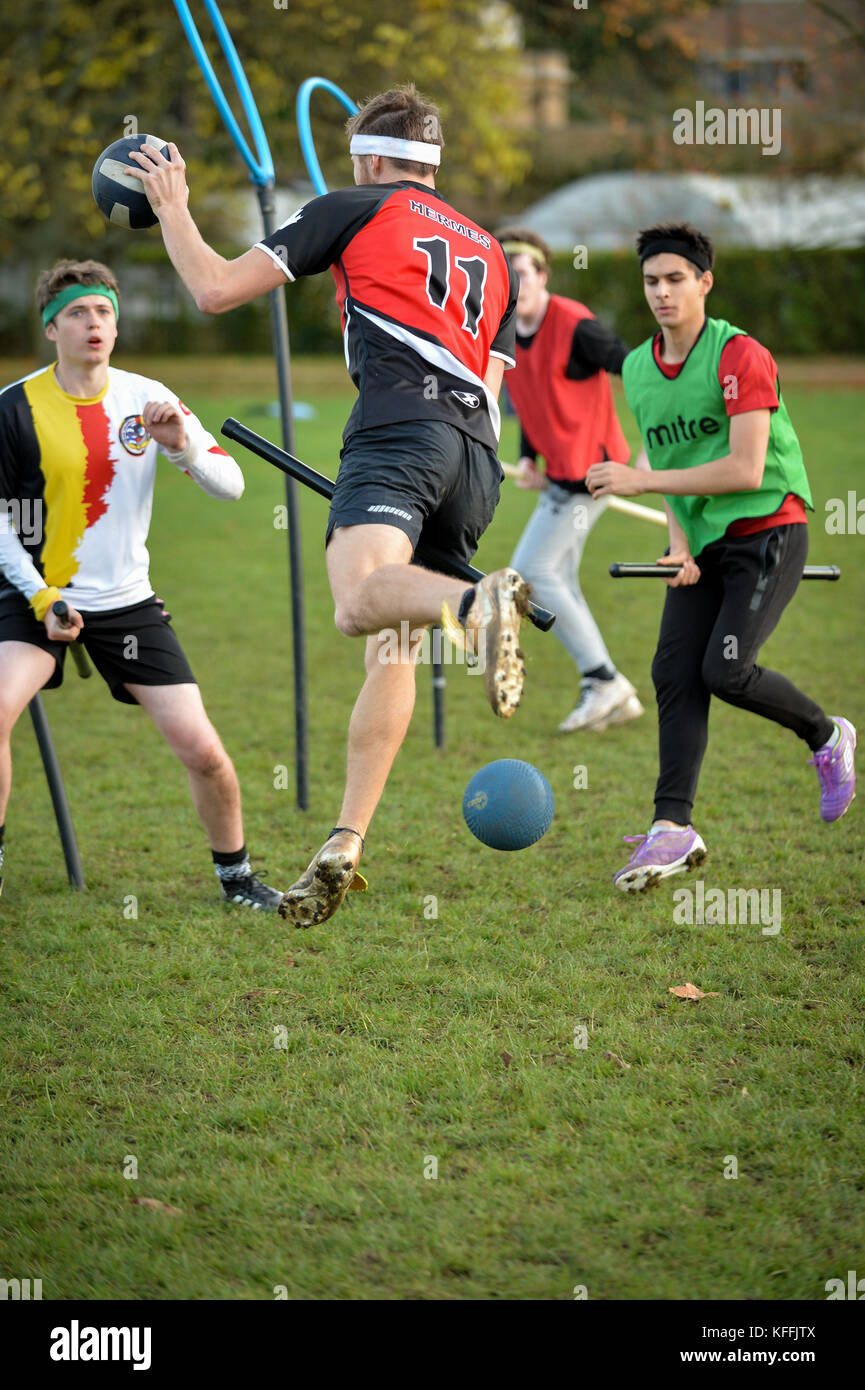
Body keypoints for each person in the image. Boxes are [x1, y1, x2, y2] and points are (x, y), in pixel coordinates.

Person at [128, 84, 529, 928]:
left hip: (395, 433)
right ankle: (345, 842)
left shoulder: (347, 207)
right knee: (394, 638)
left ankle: (477, 601)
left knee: (357, 603)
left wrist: (172, 207)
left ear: (371, 162)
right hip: (476, 458)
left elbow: (212, 289)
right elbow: (489, 384)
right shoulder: (489, 248)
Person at [0, 258, 284, 909]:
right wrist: (43, 598)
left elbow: (232, 485)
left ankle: (235, 879)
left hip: (127, 606)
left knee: (204, 751)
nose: (93, 323)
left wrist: (182, 445)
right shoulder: (14, 409)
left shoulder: (146, 398)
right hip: (32, 597)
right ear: (50, 327)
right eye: (76, 312)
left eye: (103, 311)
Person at [585, 222, 856, 892]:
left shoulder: (739, 355)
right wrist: (676, 546)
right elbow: (677, 464)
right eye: (650, 281)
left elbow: (743, 467)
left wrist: (640, 481)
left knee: (725, 670)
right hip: (703, 544)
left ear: (704, 282)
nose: (661, 293)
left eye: (675, 279)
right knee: (674, 674)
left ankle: (826, 737)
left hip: (768, 530)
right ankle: (671, 828)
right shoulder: (639, 368)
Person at [495, 227, 643, 733]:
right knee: (558, 577)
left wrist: (651, 455)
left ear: (541, 275)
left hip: (594, 477)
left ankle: (603, 680)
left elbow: (639, 371)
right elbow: (528, 397)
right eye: (505, 277)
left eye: (522, 275)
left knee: (531, 575)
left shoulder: (578, 327)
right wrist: (528, 456)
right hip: (558, 475)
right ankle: (609, 691)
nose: (515, 286)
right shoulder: (506, 328)